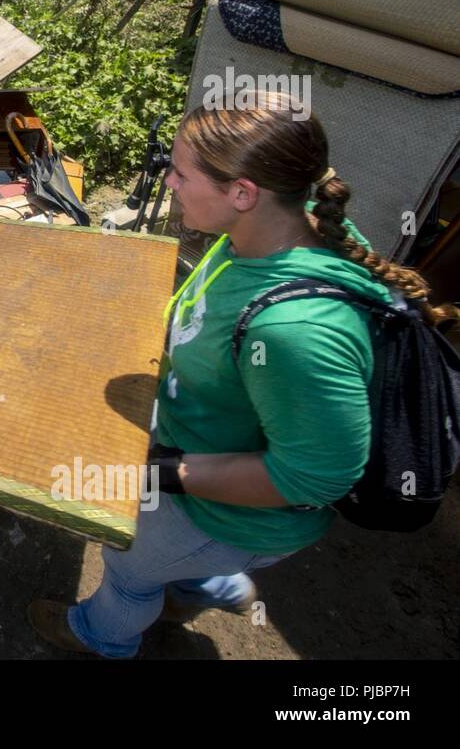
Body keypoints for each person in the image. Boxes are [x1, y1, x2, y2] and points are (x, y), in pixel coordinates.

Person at [27, 91, 456, 658]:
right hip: (205, 474)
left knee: (128, 569)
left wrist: (162, 474)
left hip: (222, 514)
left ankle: (100, 636)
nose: (169, 183)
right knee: (177, 560)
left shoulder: (294, 330)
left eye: (180, 174)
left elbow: (311, 478)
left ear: (243, 193)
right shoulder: (276, 234)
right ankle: (211, 583)